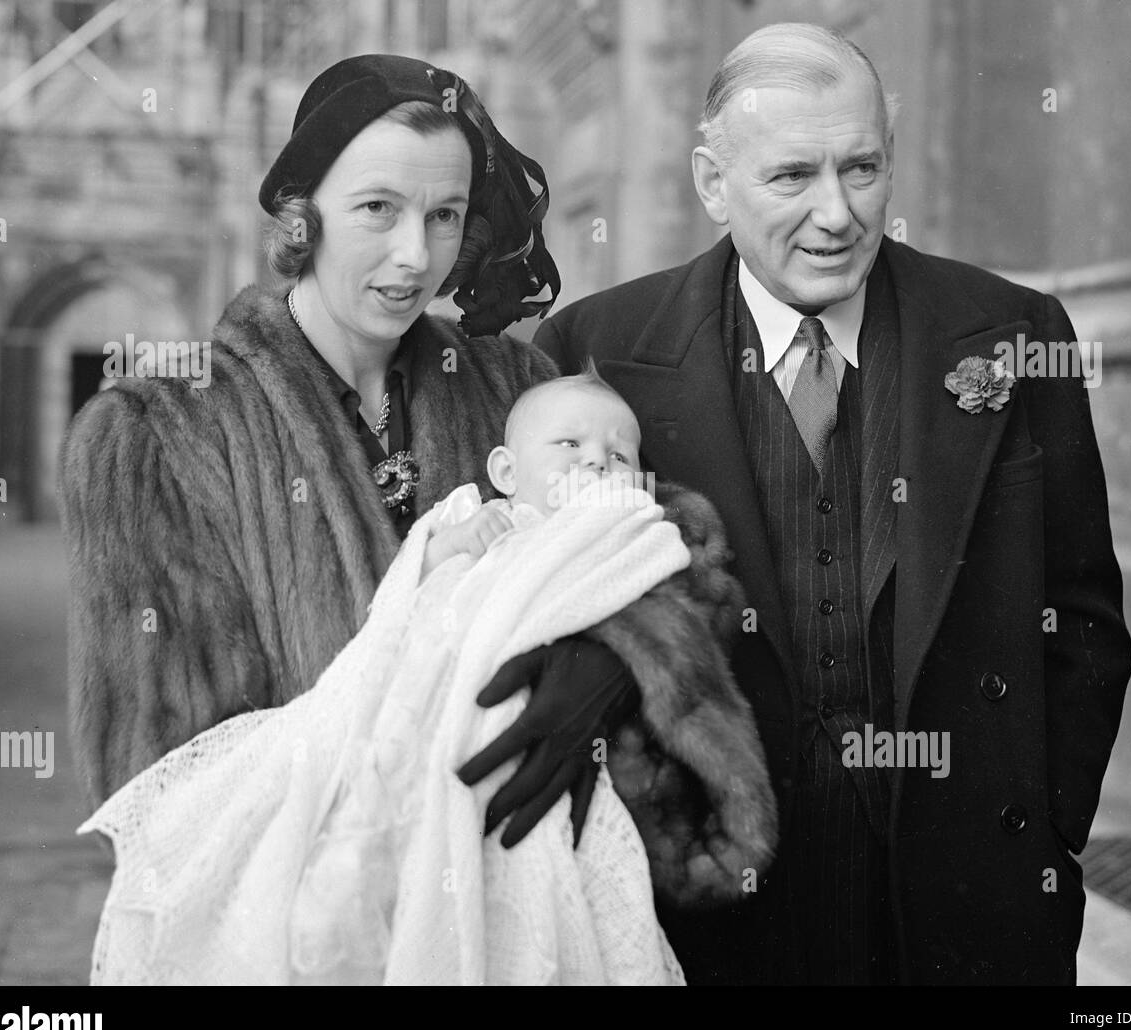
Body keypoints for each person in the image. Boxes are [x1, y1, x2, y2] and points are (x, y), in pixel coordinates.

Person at [533, 23, 1131, 985]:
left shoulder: (1013, 333)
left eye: (862, 168)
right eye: (791, 177)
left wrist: (1047, 831)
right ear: (710, 183)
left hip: (962, 902)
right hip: (711, 914)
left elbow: (1087, 618)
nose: (837, 214)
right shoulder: (593, 356)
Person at [59, 55, 756, 877]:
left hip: (517, 885)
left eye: (445, 216)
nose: (413, 255)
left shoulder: (517, 390)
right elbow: (166, 767)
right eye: (377, 209)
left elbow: (675, 547)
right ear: (299, 215)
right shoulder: (159, 435)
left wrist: (613, 659)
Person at [79, 370, 776, 985]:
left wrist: (619, 655)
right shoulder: (172, 426)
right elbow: (405, 605)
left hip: (535, 767)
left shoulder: (575, 451)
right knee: (336, 883)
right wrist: (447, 548)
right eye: (570, 447)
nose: (597, 459)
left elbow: (669, 568)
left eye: (618, 455)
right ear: (504, 467)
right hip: (398, 732)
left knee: (531, 906)